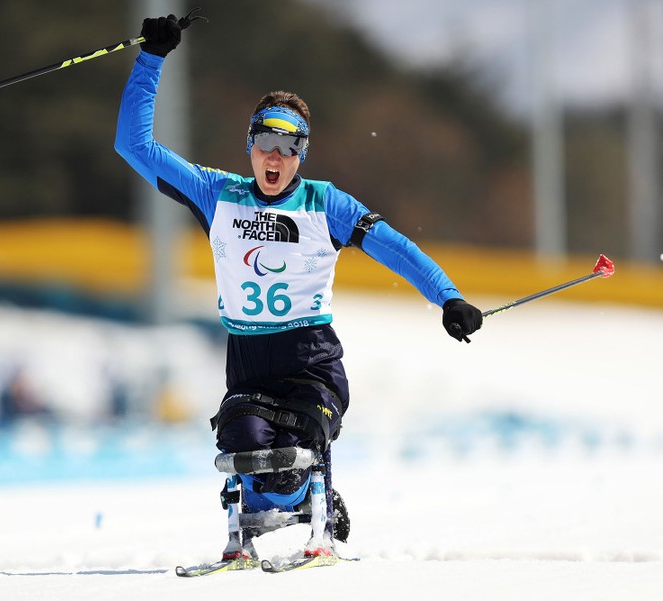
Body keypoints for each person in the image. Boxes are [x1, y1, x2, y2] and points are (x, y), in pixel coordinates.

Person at [115, 13, 482, 554]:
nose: (276, 156)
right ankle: (265, 515)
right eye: (266, 140)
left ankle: (318, 505)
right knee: (244, 447)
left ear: (301, 155)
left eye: (290, 147)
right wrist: (151, 59)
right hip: (248, 360)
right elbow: (134, 145)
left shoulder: (325, 203)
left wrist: (447, 296)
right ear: (250, 144)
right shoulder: (218, 194)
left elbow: (395, 247)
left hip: (311, 360)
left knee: (296, 452)